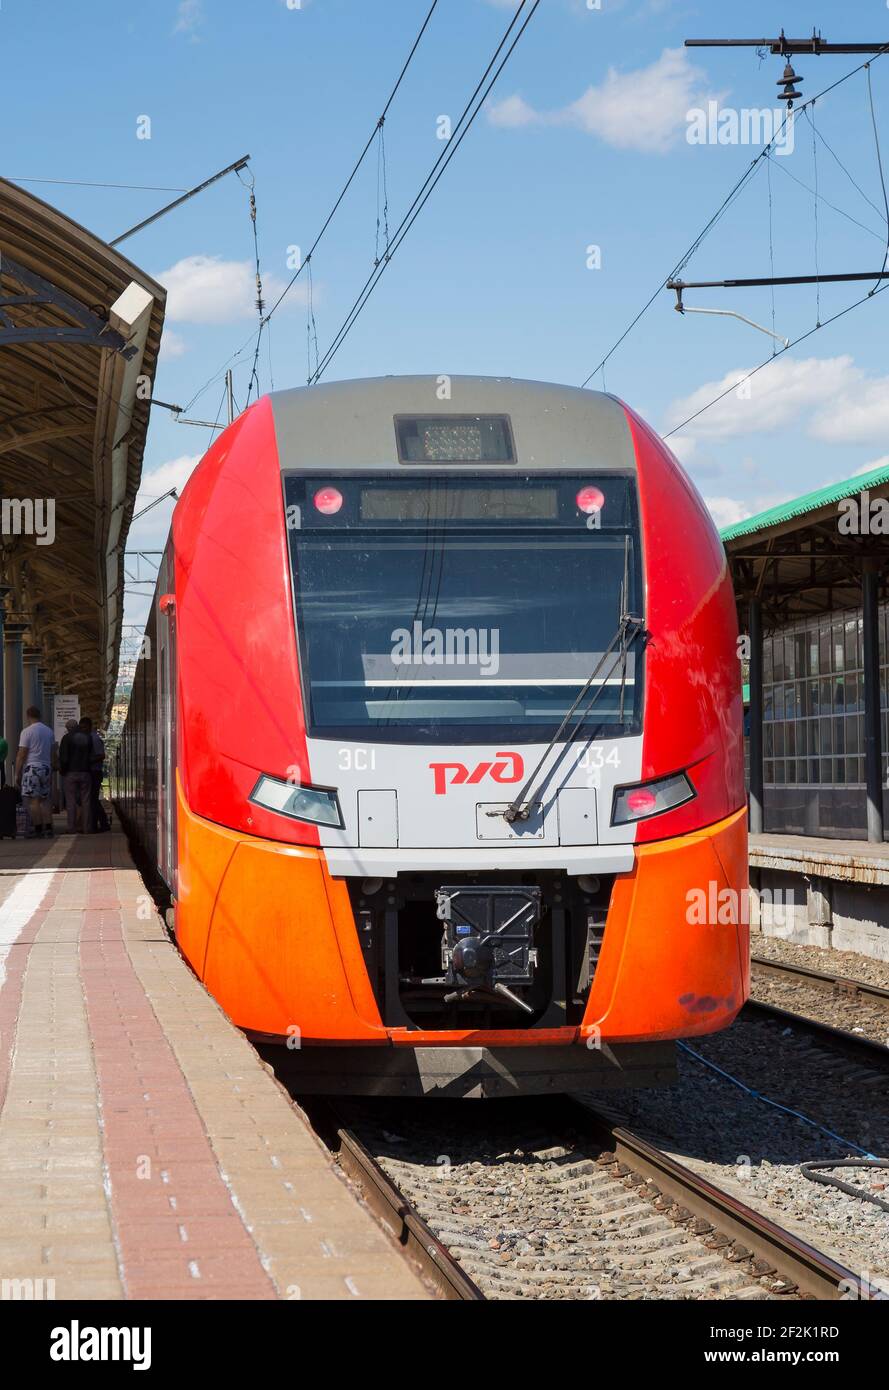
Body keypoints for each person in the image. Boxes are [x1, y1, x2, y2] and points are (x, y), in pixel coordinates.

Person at [16, 706, 54, 838]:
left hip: (32, 768)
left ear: (28, 716)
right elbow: (53, 752)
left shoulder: (26, 732)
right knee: (45, 800)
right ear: (40, 715)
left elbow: (22, 754)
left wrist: (17, 773)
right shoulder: (49, 731)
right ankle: (48, 829)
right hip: (46, 768)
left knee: (33, 801)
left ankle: (38, 829)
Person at [58, 718, 91, 833]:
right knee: (86, 801)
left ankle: (71, 827)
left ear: (68, 728)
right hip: (86, 773)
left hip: (71, 773)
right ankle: (86, 827)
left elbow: (64, 758)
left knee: (71, 801)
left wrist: (63, 771)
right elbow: (91, 755)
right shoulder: (87, 737)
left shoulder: (66, 738)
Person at [80, 717, 110, 833]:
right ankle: (99, 823)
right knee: (93, 799)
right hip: (92, 772)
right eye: (81, 727)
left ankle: (102, 823)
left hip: (95, 772)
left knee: (93, 799)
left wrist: (87, 760)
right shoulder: (88, 738)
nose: (82, 729)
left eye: (84, 727)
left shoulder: (94, 738)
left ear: (89, 726)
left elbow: (101, 755)